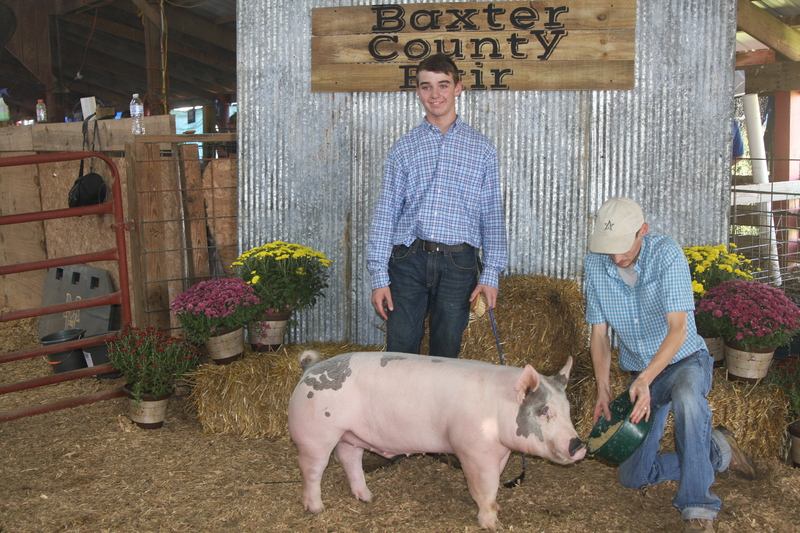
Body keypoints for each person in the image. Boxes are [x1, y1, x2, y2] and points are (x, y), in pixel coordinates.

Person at [583, 197, 755, 533]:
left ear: (642, 231)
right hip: (641, 374)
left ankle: (698, 508)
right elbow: (599, 336)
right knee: (633, 477)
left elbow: (678, 330)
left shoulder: (666, 254)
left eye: (623, 246)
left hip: (684, 360)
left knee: (690, 399)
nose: (616, 258)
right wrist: (603, 391)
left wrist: (646, 379)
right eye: (609, 249)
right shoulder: (594, 266)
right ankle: (717, 451)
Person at [367, 54, 507, 358]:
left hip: (459, 264)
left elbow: (492, 213)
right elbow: (386, 211)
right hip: (408, 260)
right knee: (400, 348)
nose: (435, 95)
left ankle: (435, 408)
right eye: (426, 87)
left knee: (446, 355)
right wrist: (379, 276)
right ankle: (400, 406)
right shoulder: (404, 147)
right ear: (418, 91)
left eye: (443, 85)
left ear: (458, 88)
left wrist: (490, 274)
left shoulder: (481, 148)